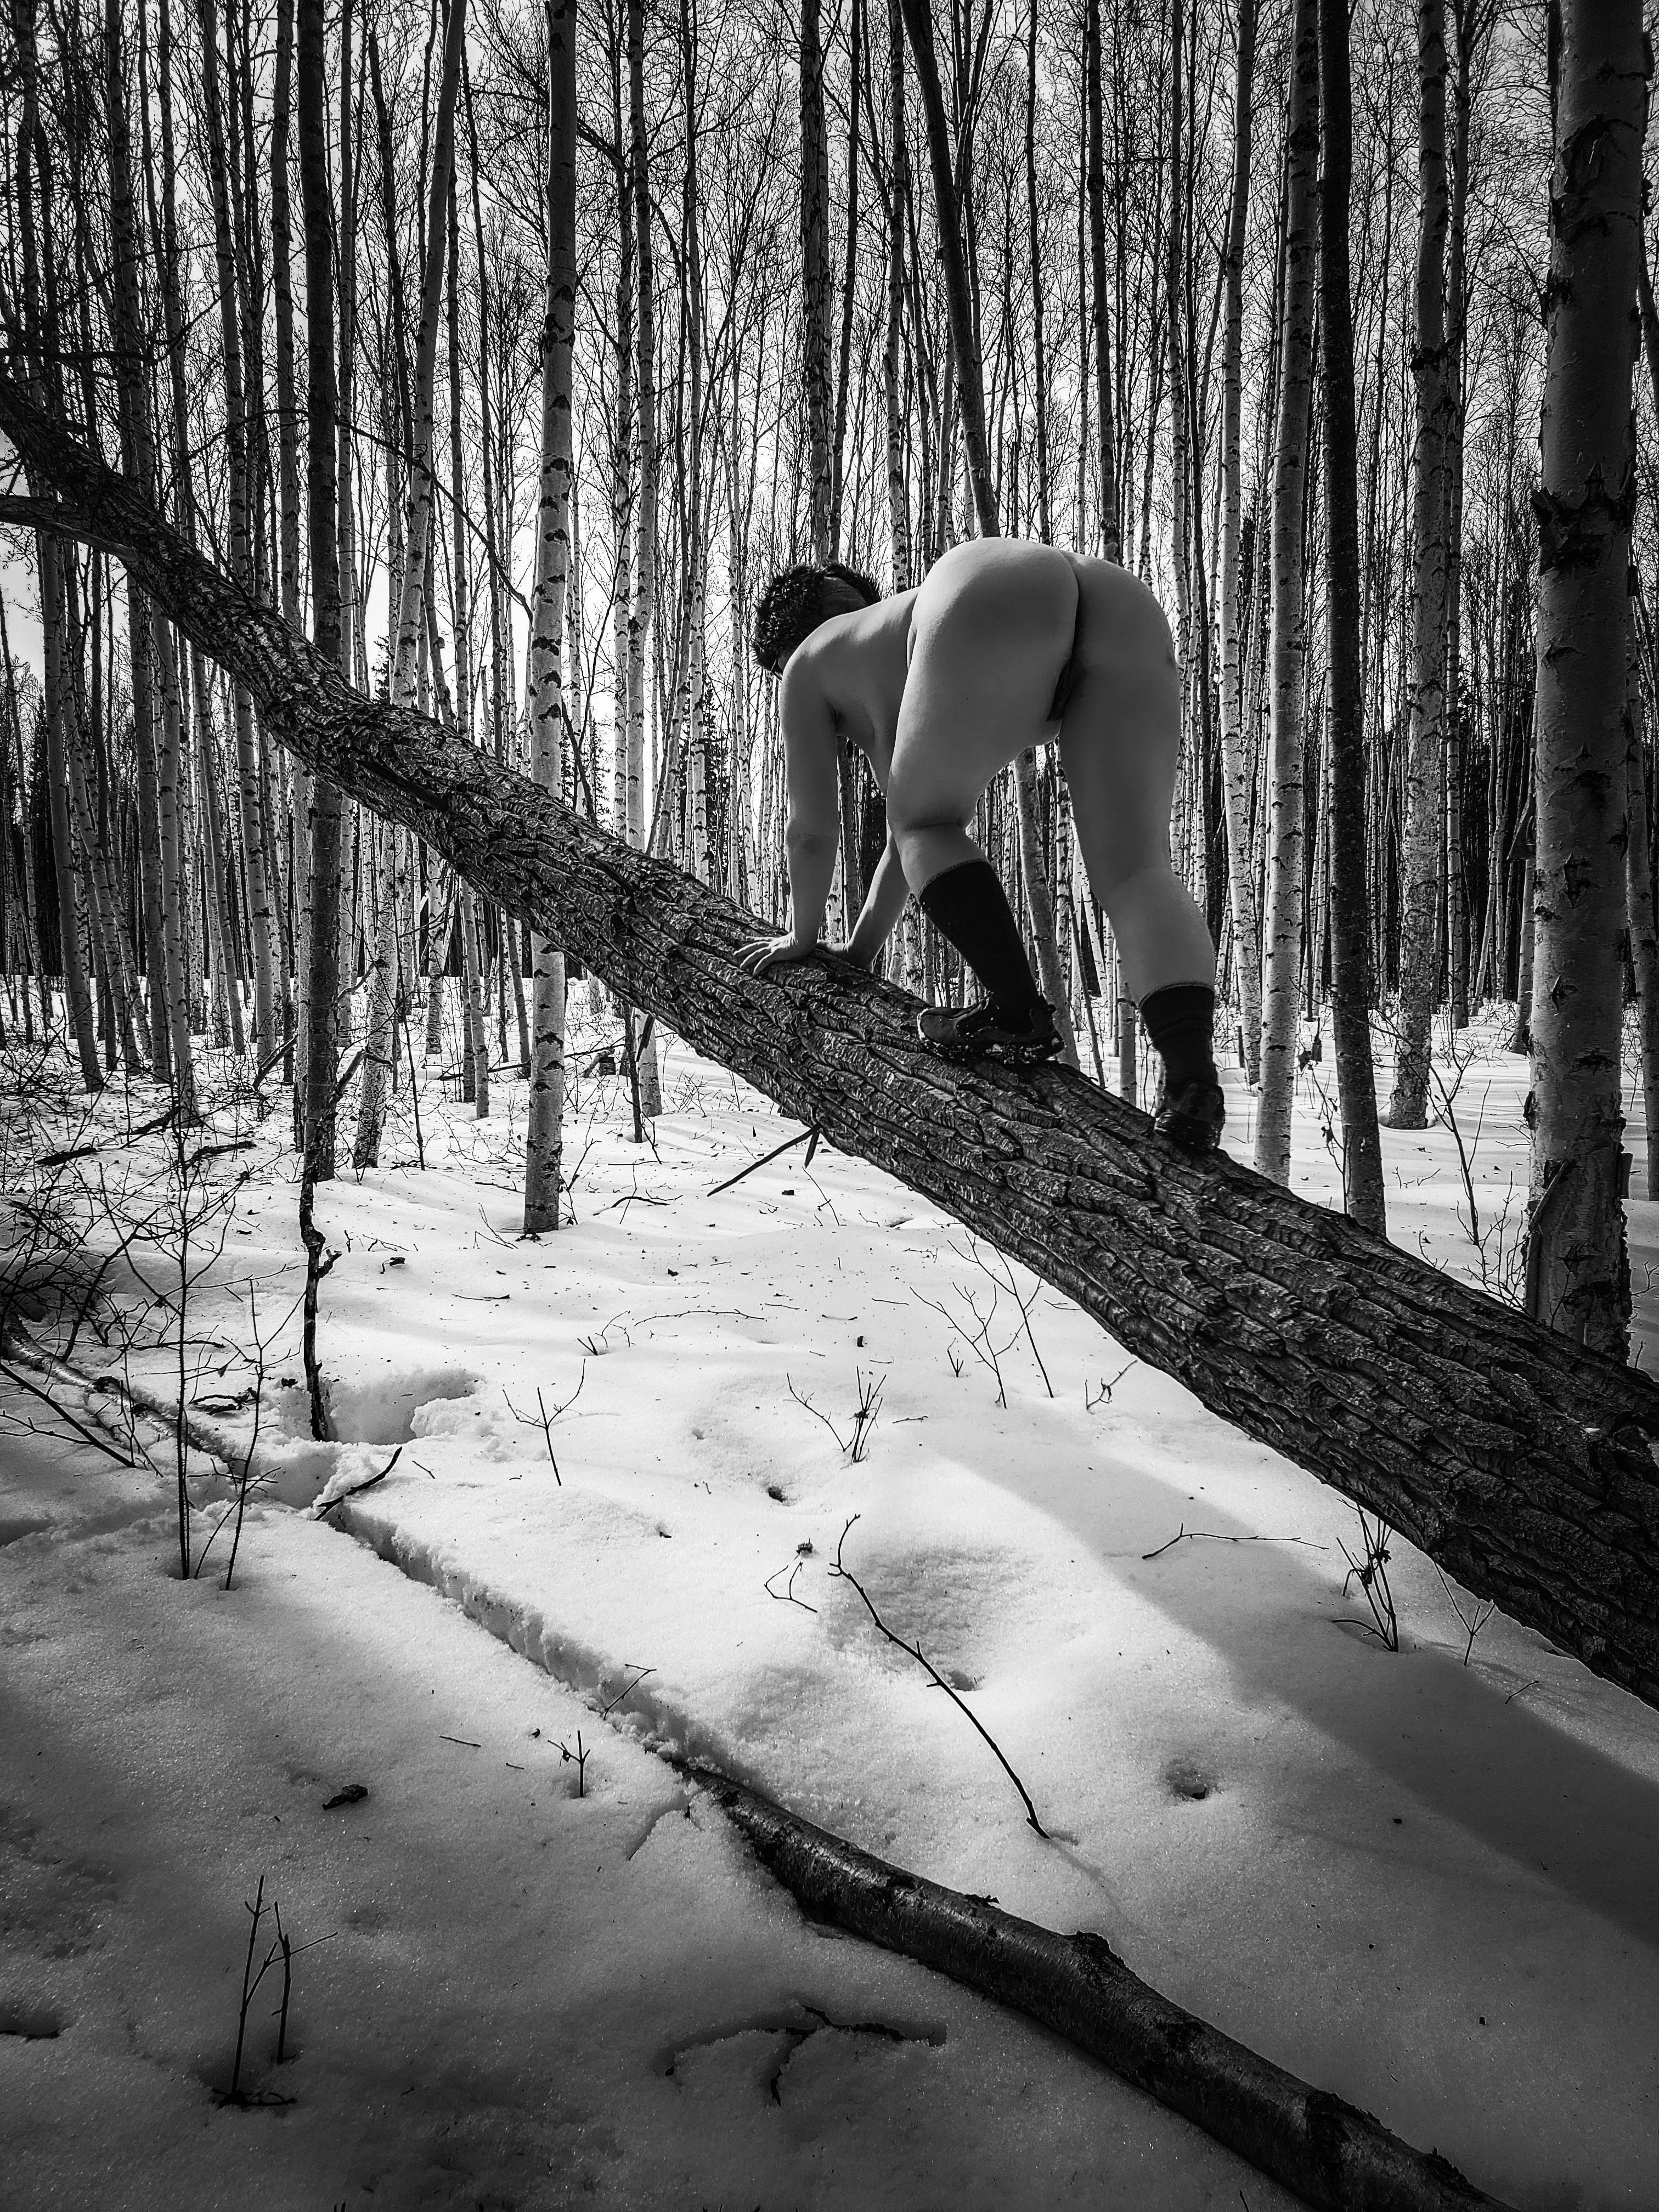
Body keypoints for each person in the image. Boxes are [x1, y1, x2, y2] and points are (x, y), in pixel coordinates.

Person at [734, 539, 1224, 1153]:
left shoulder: (806, 662)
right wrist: (861, 946)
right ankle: (1191, 1088)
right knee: (1135, 870)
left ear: (786, 649)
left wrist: (801, 936)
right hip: (1122, 600)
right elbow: (904, 834)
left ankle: (1017, 1012)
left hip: (989, 588)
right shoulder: (887, 645)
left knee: (927, 824)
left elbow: (812, 830)